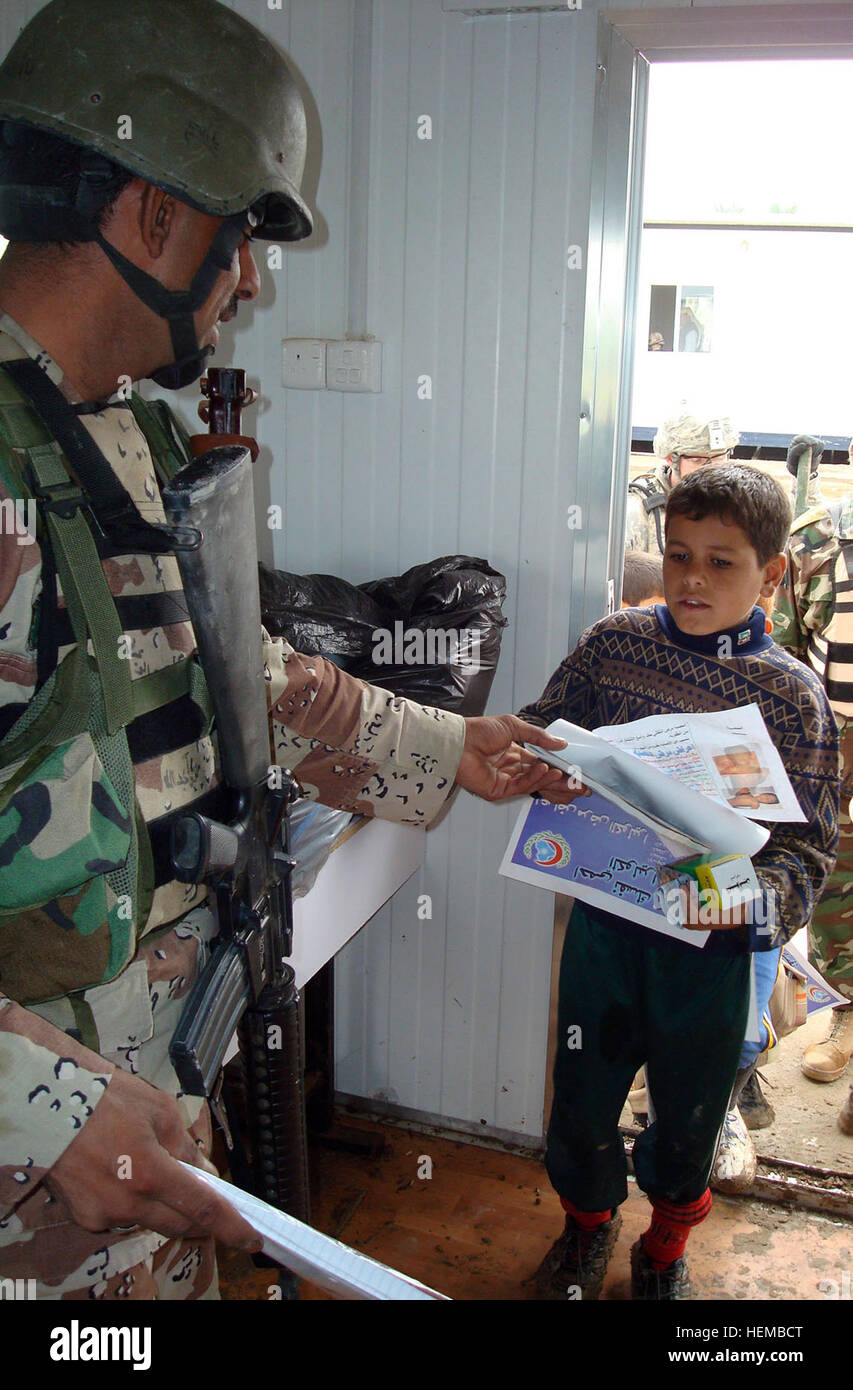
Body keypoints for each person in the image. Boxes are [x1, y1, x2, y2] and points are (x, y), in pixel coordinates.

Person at [0, 0, 572, 1301]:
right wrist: (38, 1106)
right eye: (244, 238)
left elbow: (233, 684)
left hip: (139, 1152)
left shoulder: (114, 433)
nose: (251, 283)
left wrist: (449, 748)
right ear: (152, 214)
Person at [521, 464, 838, 1299]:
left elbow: (806, 852)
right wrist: (537, 764)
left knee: (690, 1117)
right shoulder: (613, 642)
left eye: (721, 561)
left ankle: (662, 1252)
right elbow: (545, 728)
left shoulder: (791, 698)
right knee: (582, 1103)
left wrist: (738, 904)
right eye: (676, 555)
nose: (692, 578)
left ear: (771, 574)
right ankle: (585, 1230)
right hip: (603, 929)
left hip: (709, 950)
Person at [773, 485, 853, 1128]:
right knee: (837, 894)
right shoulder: (814, 539)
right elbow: (787, 651)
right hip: (836, 747)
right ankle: (845, 1015)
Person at [626, 409, 738, 555]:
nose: (710, 468)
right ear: (671, 459)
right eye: (697, 460)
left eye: (718, 458)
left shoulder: (740, 505)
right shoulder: (637, 511)